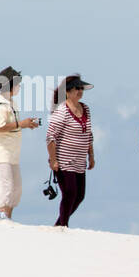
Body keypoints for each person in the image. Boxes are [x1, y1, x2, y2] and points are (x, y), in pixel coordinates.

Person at [0, 66, 41, 220]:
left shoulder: (11, 103)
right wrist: (21, 124)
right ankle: (1, 221)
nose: (19, 88)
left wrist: (26, 124)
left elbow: (13, 125)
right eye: (17, 84)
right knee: (5, 191)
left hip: (12, 154)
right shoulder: (0, 104)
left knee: (15, 191)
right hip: (0, 154)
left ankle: (7, 220)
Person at [46, 74, 95, 227]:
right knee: (69, 194)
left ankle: (59, 224)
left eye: (81, 88)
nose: (80, 91)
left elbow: (88, 134)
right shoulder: (62, 111)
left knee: (80, 196)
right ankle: (63, 225)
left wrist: (91, 156)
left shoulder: (85, 108)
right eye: (76, 89)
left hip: (80, 161)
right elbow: (50, 137)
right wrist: (53, 160)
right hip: (64, 161)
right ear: (68, 91)